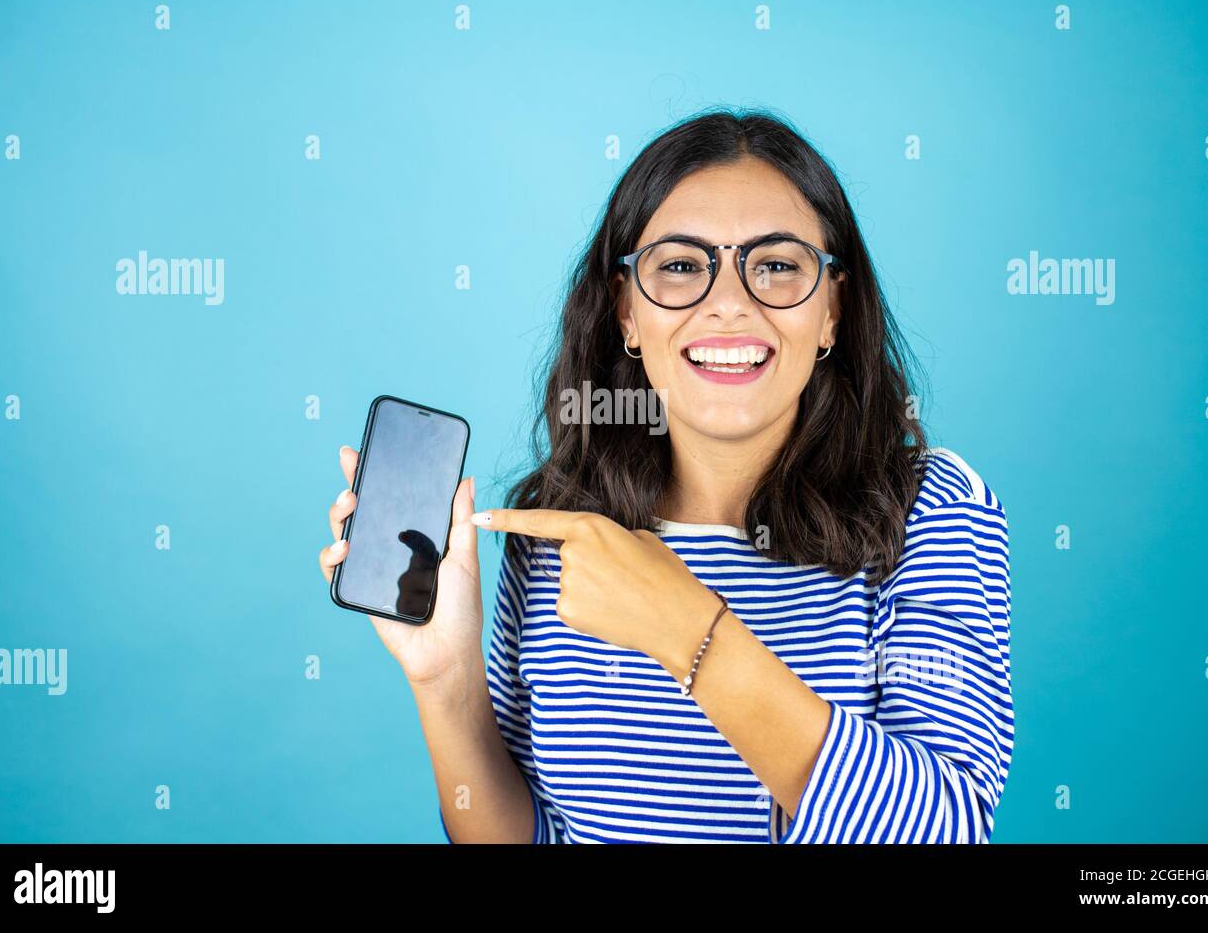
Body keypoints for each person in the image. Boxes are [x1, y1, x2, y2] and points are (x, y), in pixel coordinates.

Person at [319, 108, 1013, 843]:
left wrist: (683, 624)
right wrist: (447, 681)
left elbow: (945, 826)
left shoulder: (932, 510)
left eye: (777, 265)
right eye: (681, 266)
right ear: (625, 313)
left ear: (832, 311)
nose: (729, 304)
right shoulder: (559, 528)